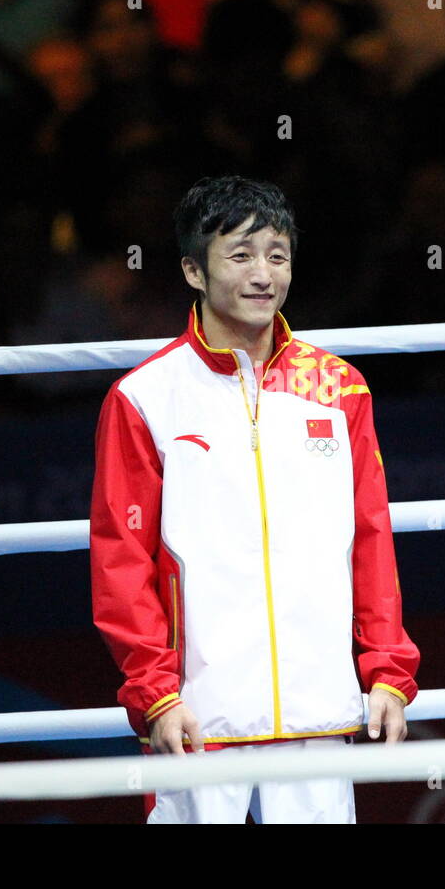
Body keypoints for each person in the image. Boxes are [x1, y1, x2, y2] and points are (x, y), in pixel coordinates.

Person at [89, 175, 420, 823]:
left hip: (317, 713)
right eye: (240, 255)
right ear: (193, 269)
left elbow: (370, 536)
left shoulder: (340, 389)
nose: (263, 273)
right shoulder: (145, 398)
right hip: (196, 719)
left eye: (277, 254)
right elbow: (119, 561)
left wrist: (386, 669)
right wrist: (155, 696)